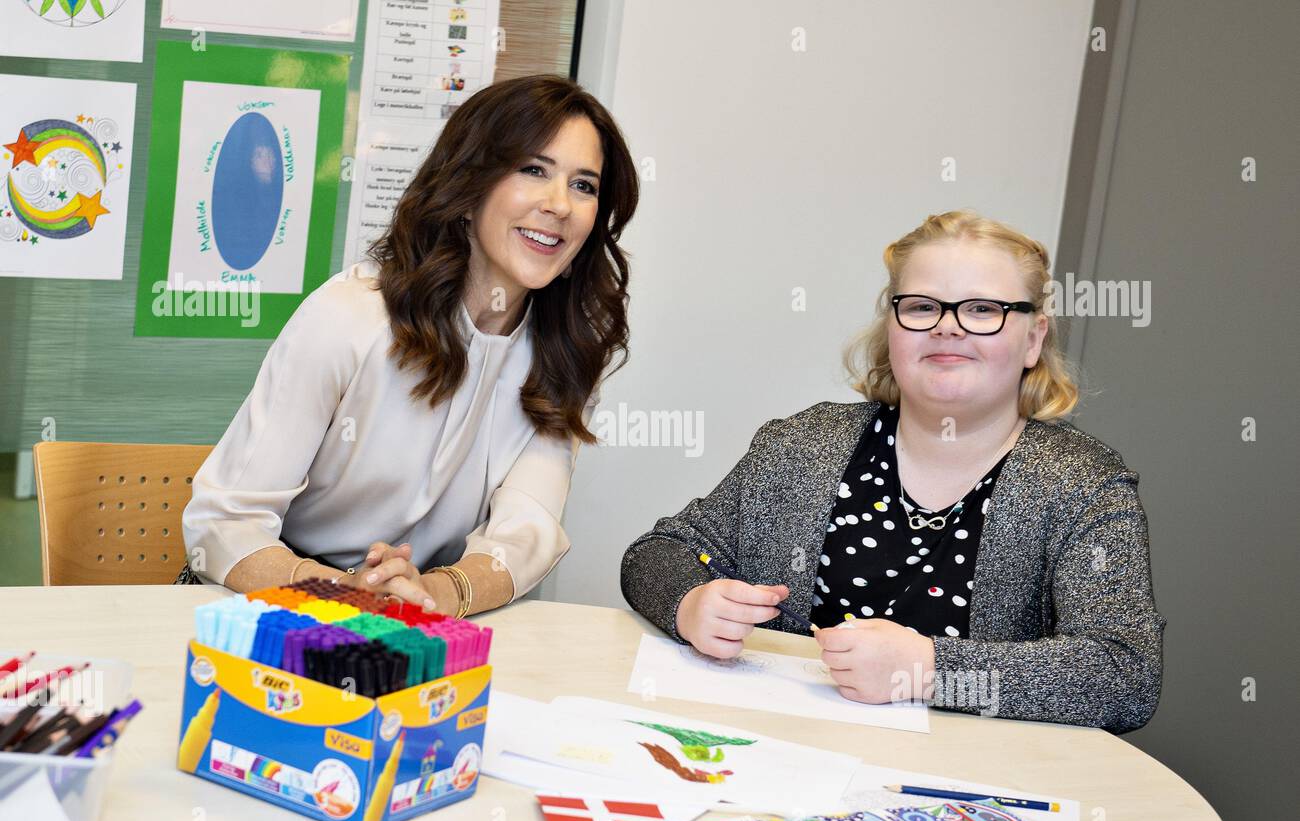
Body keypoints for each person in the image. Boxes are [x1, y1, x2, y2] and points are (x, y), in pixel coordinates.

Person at [621, 210, 1163, 732]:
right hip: (786, 760)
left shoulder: (1082, 484)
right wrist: (689, 604)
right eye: (923, 306)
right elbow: (657, 553)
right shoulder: (801, 445)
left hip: (966, 792)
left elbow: (1124, 674)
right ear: (893, 327)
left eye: (982, 310)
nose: (948, 329)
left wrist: (928, 670)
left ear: (1032, 339)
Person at [180, 75, 638, 620]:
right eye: (533, 170)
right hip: (276, 599)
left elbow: (525, 531)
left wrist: (434, 594)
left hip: (421, 612)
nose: (560, 204)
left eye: (584, 185)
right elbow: (223, 523)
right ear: (469, 190)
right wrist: (344, 593)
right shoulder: (350, 316)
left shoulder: (568, 352)